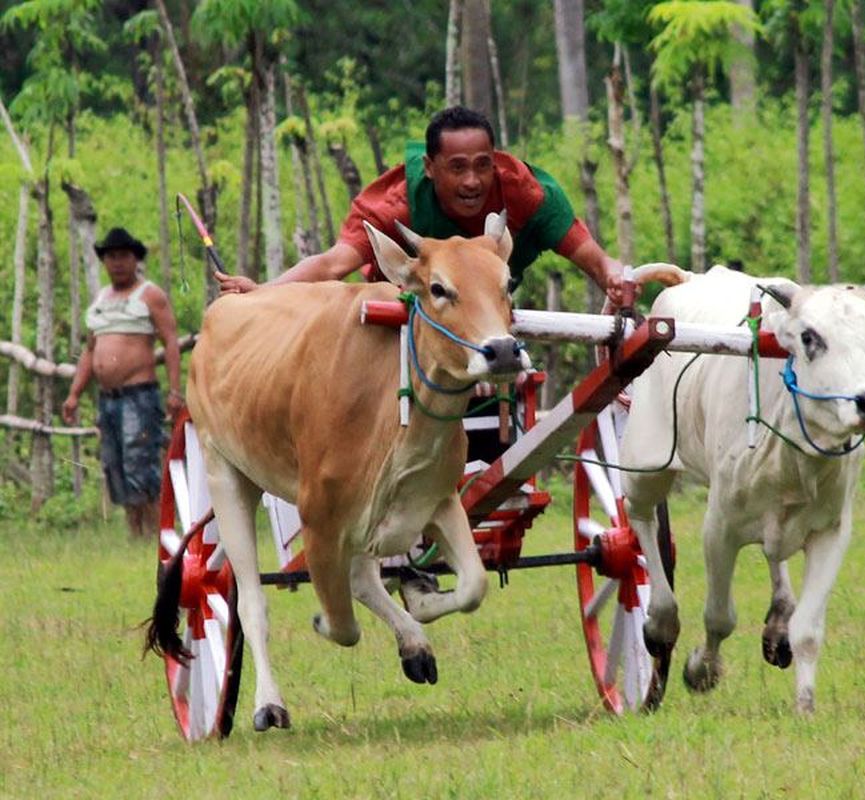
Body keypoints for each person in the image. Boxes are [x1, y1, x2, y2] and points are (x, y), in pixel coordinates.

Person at [215, 105, 625, 301]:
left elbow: (595, 260)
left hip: (487, 309)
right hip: (406, 306)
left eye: (483, 166)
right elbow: (331, 265)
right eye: (457, 167)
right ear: (430, 167)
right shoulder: (395, 206)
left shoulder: (523, 191)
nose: (472, 181)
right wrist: (262, 292)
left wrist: (616, 277)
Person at [62, 227, 184, 538]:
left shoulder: (150, 295)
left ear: (134, 259)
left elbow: (170, 342)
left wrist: (174, 390)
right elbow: (91, 350)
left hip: (138, 395)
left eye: (123, 256)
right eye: (112, 256)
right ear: (105, 261)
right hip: (108, 398)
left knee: (140, 461)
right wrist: (74, 394)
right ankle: (135, 531)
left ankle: (156, 533)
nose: (117, 262)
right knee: (114, 464)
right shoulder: (101, 299)